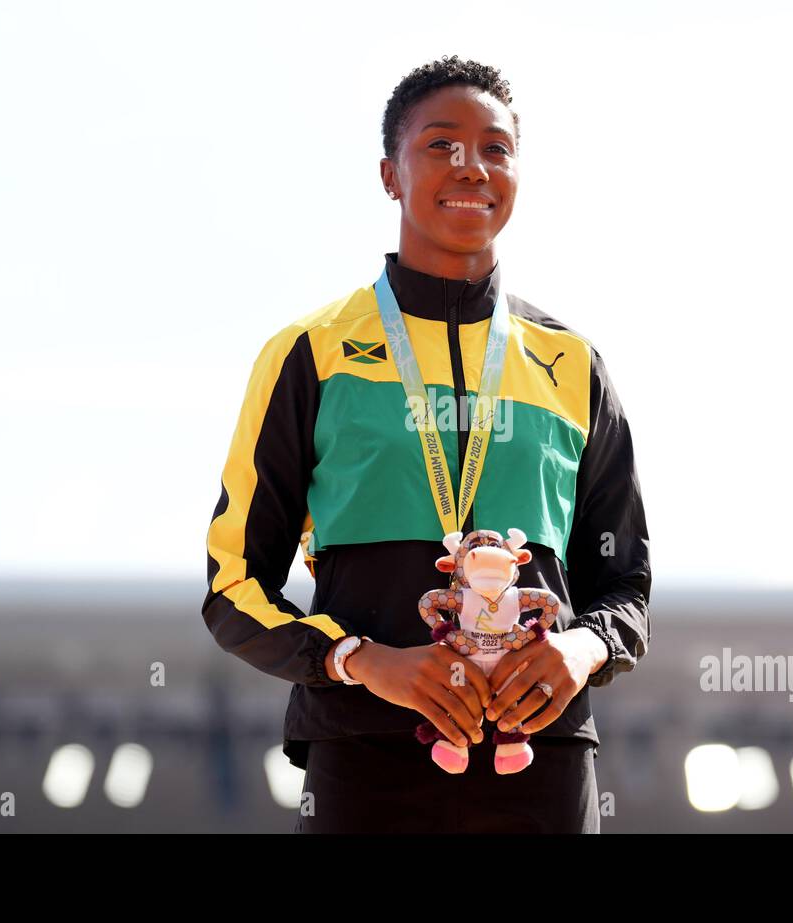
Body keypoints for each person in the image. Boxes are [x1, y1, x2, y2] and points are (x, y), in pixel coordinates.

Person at [201, 55, 651, 833]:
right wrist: (365, 660)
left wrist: (580, 650)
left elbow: (626, 589)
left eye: (496, 148)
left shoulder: (573, 364)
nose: (471, 166)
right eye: (440, 144)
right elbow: (234, 587)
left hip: (542, 759)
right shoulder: (312, 354)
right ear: (390, 173)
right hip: (364, 757)